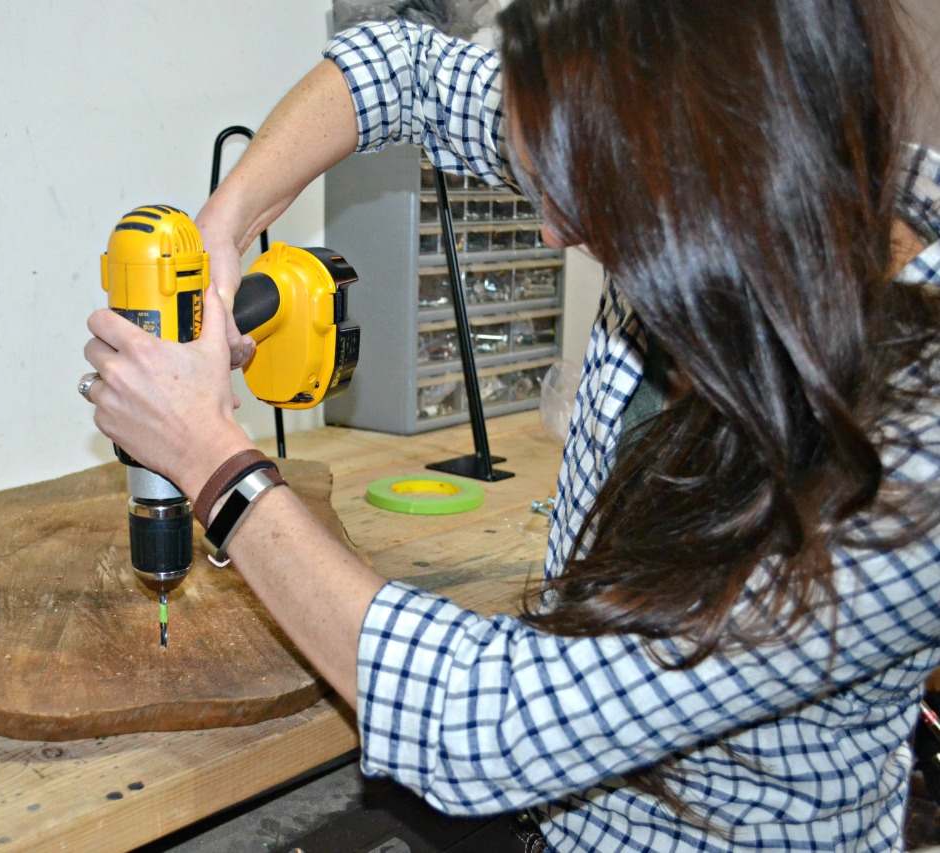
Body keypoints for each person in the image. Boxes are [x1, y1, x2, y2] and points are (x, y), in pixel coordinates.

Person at [82, 1, 940, 849]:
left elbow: (488, 721)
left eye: (585, 189)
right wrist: (227, 225)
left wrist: (212, 461)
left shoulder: (911, 448)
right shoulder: (675, 145)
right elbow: (403, 70)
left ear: (710, 163)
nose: (553, 230)